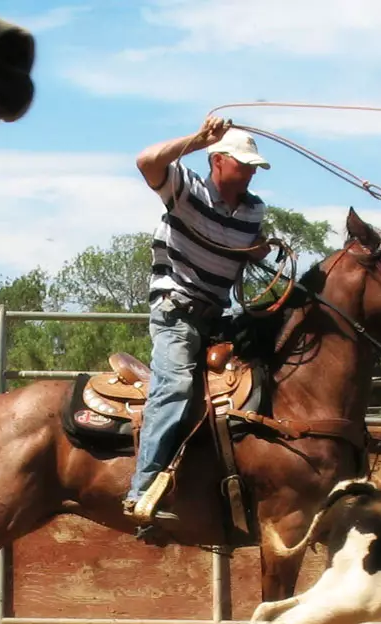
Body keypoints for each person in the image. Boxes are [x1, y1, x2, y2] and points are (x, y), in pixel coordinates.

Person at [123, 116, 271, 526]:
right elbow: (146, 161)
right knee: (175, 386)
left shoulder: (254, 211)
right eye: (243, 165)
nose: (249, 174)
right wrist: (198, 138)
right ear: (218, 160)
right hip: (176, 314)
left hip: (218, 317)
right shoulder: (187, 188)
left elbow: (249, 250)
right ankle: (142, 489)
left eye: (253, 167)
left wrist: (261, 252)